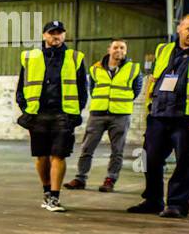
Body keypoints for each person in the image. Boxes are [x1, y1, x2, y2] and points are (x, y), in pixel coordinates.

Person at [16, 20, 88, 212]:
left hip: (63, 115)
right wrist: (25, 109)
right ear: (44, 36)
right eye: (51, 33)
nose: (55, 36)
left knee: (59, 155)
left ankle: (55, 197)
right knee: (41, 156)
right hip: (37, 115)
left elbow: (83, 88)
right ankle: (47, 191)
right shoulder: (30, 57)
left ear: (64, 35)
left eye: (59, 33)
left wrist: (76, 112)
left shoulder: (75, 57)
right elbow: (21, 87)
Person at [128, 13, 189, 219]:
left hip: (185, 117)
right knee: (149, 158)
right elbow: (154, 79)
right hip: (158, 114)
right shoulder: (163, 50)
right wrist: (149, 108)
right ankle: (153, 200)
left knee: (185, 163)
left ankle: (177, 204)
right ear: (179, 29)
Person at [64, 40, 142, 192]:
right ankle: (80, 178)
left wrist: (121, 102)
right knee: (87, 147)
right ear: (109, 50)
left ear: (125, 51)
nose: (118, 50)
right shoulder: (95, 68)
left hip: (120, 114)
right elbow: (92, 89)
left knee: (117, 150)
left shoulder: (134, 69)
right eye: (115, 47)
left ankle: (110, 180)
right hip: (98, 114)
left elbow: (136, 89)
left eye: (122, 48)